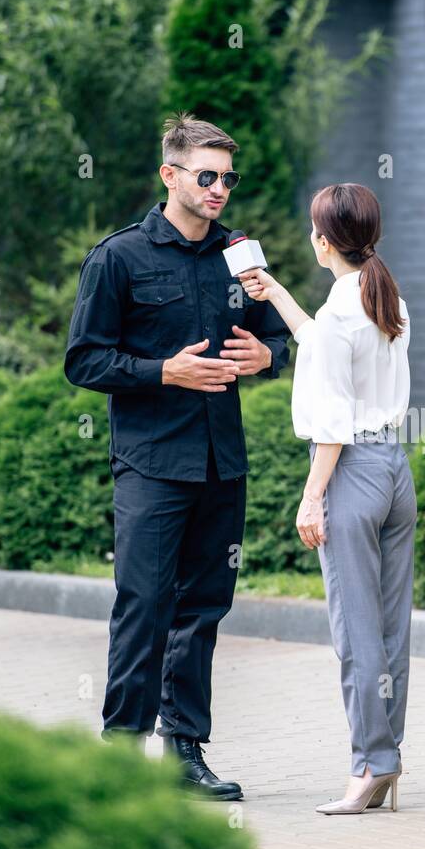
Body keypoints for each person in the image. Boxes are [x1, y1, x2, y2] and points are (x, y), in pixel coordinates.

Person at [64, 112, 292, 801]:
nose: (221, 188)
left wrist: (266, 357)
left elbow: (279, 339)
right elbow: (84, 358)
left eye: (229, 177)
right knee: (145, 602)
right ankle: (118, 756)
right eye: (207, 175)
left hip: (223, 463)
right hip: (152, 462)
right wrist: (164, 372)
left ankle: (183, 752)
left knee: (204, 608)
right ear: (170, 175)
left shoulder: (240, 255)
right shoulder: (120, 257)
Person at [240, 182, 415, 815]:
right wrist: (280, 295)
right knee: (391, 628)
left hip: (352, 473)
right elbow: (325, 345)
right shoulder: (380, 294)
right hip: (395, 469)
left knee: (356, 632)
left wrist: (312, 498)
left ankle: (368, 763)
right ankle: (387, 758)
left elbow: (332, 420)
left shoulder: (346, 308)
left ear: (322, 240)